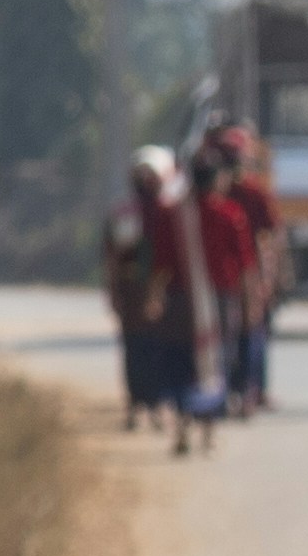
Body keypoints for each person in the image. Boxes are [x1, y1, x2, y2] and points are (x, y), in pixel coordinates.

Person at [99, 148, 213, 456]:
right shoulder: (124, 212)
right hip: (133, 294)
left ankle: (160, 407)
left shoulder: (173, 213)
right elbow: (113, 256)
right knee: (133, 351)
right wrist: (115, 291)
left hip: (164, 300)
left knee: (159, 354)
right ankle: (135, 407)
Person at [189, 123, 280, 416]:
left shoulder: (251, 194)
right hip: (220, 282)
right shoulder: (203, 201)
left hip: (243, 277)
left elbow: (268, 237)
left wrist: (264, 278)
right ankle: (224, 394)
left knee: (249, 335)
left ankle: (249, 390)